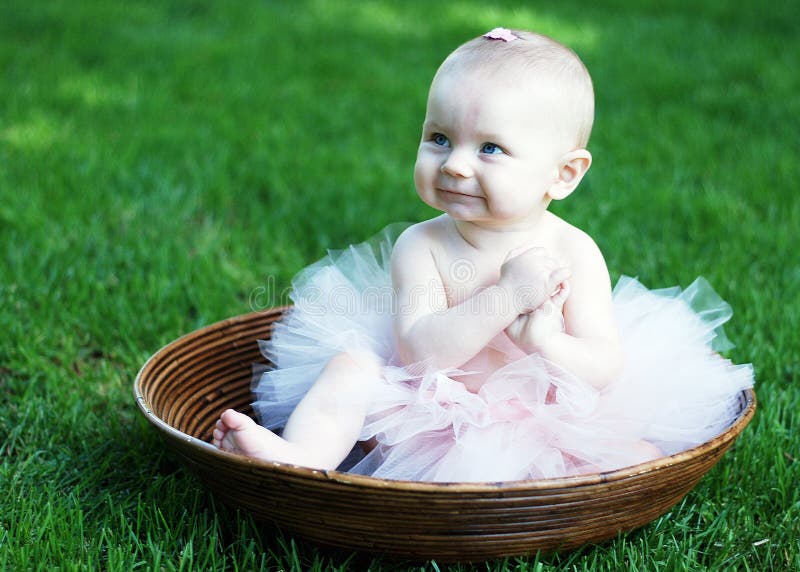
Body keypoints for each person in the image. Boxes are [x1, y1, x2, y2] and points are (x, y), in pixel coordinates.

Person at [212, 28, 754, 481]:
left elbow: (604, 367)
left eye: (490, 148)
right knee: (349, 369)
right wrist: (507, 296)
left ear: (564, 174)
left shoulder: (572, 250)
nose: (455, 164)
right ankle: (300, 457)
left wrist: (545, 342)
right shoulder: (422, 244)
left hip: (540, 418)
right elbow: (420, 353)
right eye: (439, 138)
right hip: (425, 410)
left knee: (638, 458)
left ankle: (578, 491)